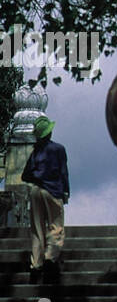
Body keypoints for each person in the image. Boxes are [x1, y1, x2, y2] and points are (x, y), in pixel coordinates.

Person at [22, 115, 68, 284]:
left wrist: (37, 178)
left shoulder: (36, 152)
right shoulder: (58, 149)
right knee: (56, 227)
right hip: (53, 190)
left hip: (36, 191)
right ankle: (50, 258)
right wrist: (65, 192)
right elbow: (64, 173)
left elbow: (24, 175)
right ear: (49, 133)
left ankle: (36, 265)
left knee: (37, 229)